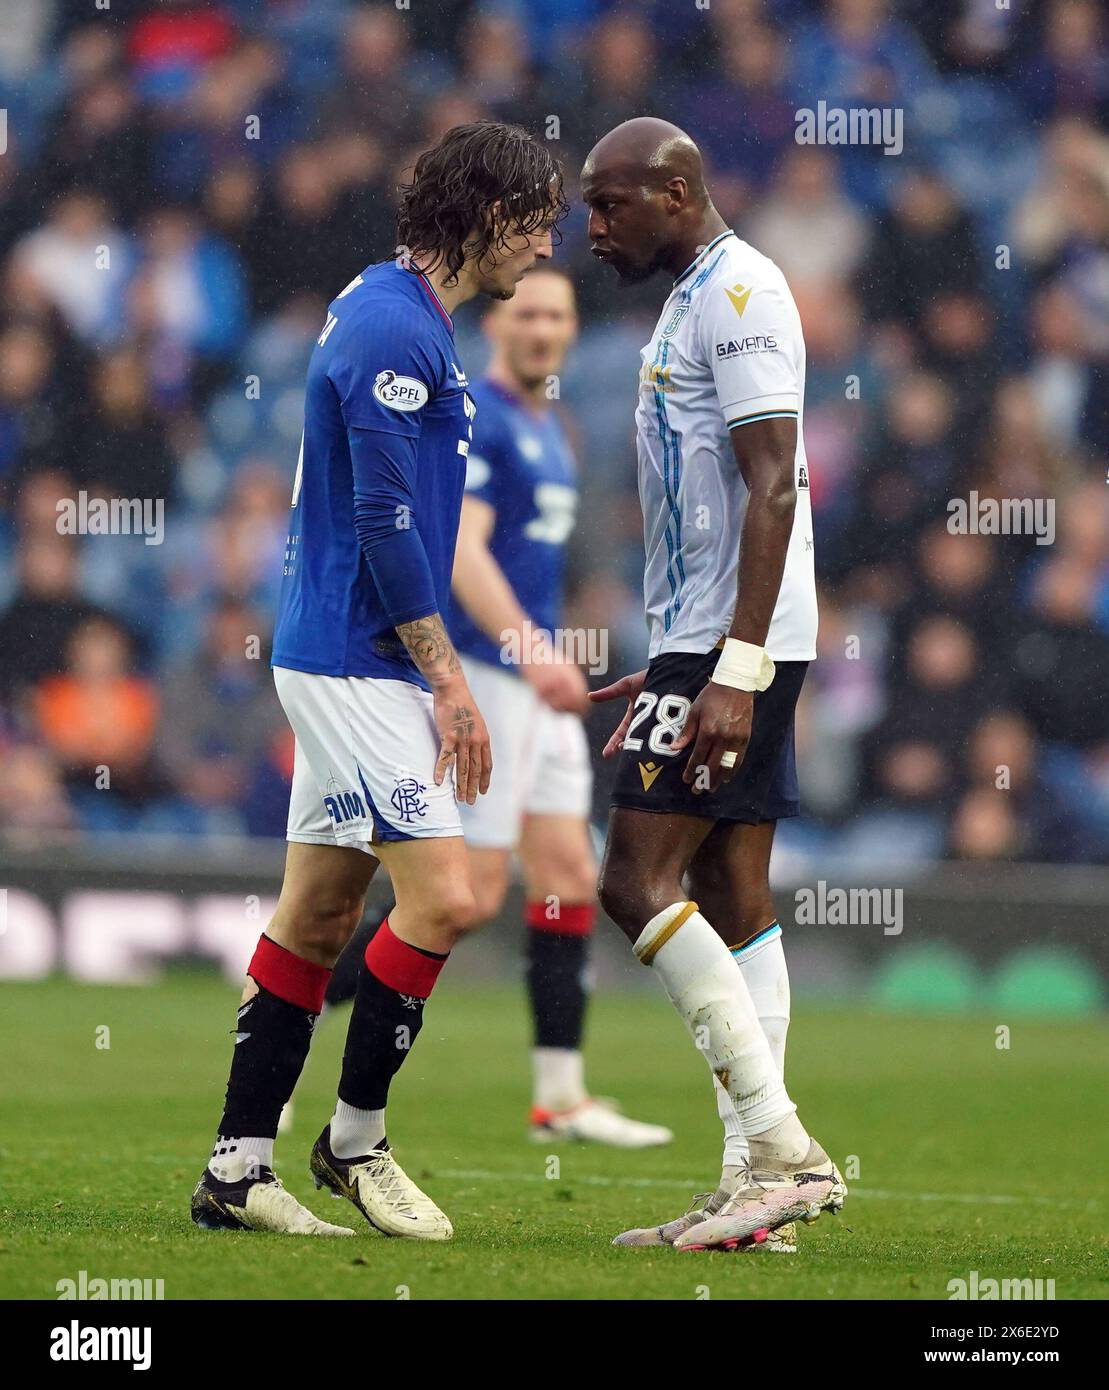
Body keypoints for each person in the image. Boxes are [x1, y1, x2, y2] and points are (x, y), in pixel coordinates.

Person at [190, 121, 567, 1241]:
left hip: (352, 652)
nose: (545, 245)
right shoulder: (397, 329)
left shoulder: (391, 307)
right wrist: (449, 679)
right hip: (359, 660)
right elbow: (386, 519)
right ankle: (354, 1141)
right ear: (485, 214)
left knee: (316, 913)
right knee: (445, 898)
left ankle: (236, 1171)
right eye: (533, 221)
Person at [581, 118, 846, 1252]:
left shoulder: (740, 294)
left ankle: (782, 1149)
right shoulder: (693, 296)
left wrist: (729, 664)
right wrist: (687, 645)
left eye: (610, 206)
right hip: (720, 635)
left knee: (632, 881)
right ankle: (753, 1193)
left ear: (677, 193)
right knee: (731, 889)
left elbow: (774, 481)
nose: (593, 229)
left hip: (738, 646)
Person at [450, 265, 672, 1148]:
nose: (543, 328)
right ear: (496, 326)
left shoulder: (554, 425)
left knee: (568, 877)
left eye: (557, 315)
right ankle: (292, 1019)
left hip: (533, 684)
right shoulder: (480, 416)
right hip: (488, 674)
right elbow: (462, 554)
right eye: (528, 313)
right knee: (463, 898)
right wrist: (532, 651)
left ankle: (559, 1099)